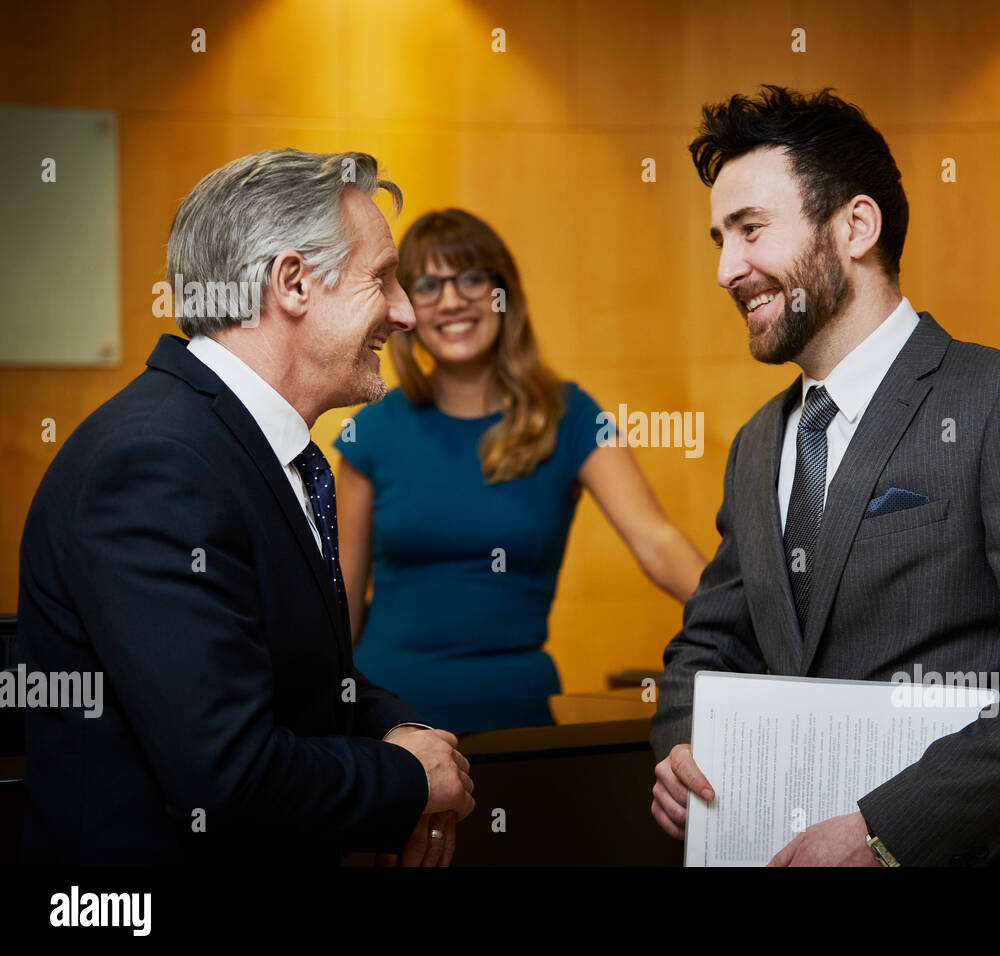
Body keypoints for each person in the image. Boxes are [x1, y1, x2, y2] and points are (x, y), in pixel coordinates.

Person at [648, 86, 1000, 866]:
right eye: (718, 238)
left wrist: (889, 831)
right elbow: (706, 646)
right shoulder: (757, 445)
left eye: (751, 230)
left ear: (856, 225)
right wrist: (682, 746)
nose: (726, 268)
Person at [17, 149, 474, 865]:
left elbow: (305, 681)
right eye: (382, 278)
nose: (406, 312)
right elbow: (225, 774)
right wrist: (408, 779)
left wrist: (406, 736)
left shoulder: (240, 445)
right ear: (292, 283)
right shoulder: (153, 464)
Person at [334, 208, 707, 734]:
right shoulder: (369, 429)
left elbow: (658, 541)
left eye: (470, 278)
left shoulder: (570, 416)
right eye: (428, 285)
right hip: (389, 726)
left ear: (503, 294)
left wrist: (759, 632)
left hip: (517, 721)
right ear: (405, 307)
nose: (451, 300)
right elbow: (340, 605)